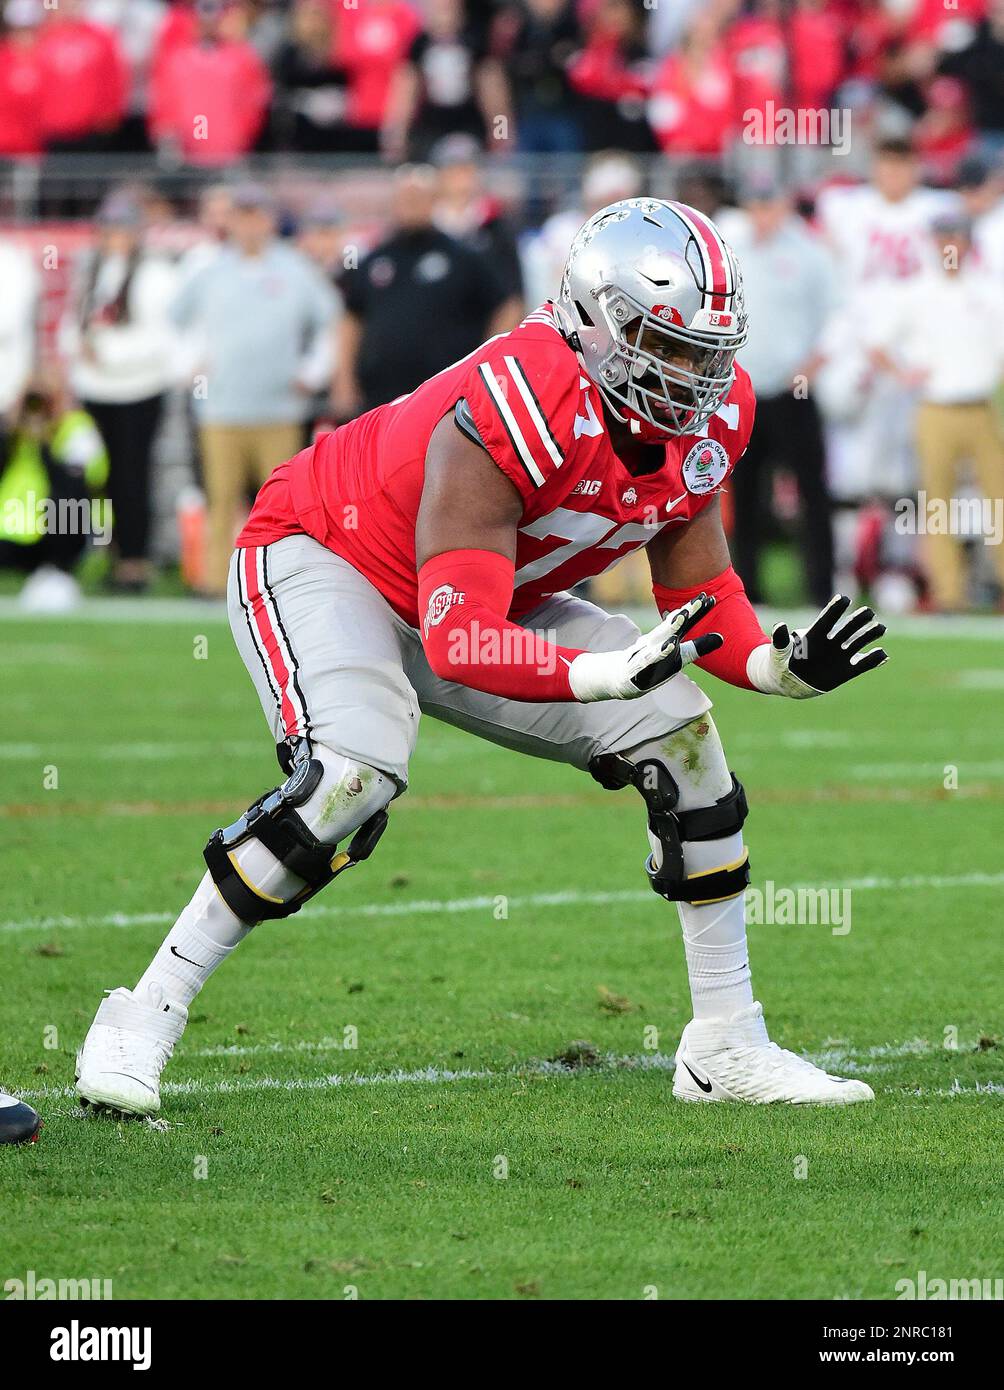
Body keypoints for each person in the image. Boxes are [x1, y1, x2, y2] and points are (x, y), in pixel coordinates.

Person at [77, 197, 888, 1116]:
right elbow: (459, 638)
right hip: (327, 557)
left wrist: (778, 668)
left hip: (485, 598)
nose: (693, 373)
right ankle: (141, 1016)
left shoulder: (715, 413)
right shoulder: (517, 398)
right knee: (349, 778)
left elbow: (697, 595)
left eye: (706, 348)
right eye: (665, 344)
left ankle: (727, 1045)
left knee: (684, 738)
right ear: (594, 323)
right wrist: (598, 673)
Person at [172, 182, 337, 595]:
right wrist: (190, 365)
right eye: (242, 215)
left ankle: (280, 584)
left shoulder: (295, 268)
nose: (249, 224)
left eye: (257, 215)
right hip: (222, 409)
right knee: (221, 498)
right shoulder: (208, 269)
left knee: (280, 505)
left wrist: (313, 372)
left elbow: (331, 321)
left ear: (269, 220)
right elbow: (175, 320)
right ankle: (212, 584)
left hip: (279, 409)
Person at [867, 213, 1004, 610]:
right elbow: (877, 344)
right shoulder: (916, 292)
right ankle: (948, 593)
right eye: (943, 239)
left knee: (997, 500)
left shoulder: (988, 291)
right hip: (936, 407)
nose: (949, 247)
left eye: (956, 239)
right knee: (938, 504)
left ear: (967, 245)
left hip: (979, 405)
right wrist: (904, 373)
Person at [724, 178, 839, 607]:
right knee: (747, 493)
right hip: (743, 391)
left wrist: (813, 364)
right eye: (754, 206)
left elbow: (838, 314)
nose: (762, 216)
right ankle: (746, 588)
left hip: (795, 389)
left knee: (812, 492)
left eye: (769, 206)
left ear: (785, 207)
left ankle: (821, 588)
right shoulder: (732, 249)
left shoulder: (809, 253)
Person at [58, 190, 176, 592]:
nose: (114, 236)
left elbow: (161, 339)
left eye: (122, 229)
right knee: (98, 477)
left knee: (132, 476)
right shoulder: (92, 269)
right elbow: (73, 323)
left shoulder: (156, 274)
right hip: (96, 389)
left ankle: (135, 560)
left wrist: (105, 353)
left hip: (138, 389)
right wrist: (80, 350)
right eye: (108, 229)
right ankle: (104, 552)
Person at [333, 164, 511, 418]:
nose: (411, 204)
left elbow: (506, 304)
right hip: (379, 397)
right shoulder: (375, 259)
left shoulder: (463, 256)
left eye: (418, 198)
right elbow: (351, 319)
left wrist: (486, 364)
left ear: (434, 201)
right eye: (405, 198)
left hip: (445, 398)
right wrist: (343, 381)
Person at [0, 378, 109, 611]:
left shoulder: (76, 427)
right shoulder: (13, 431)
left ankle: (59, 571)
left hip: (65, 532)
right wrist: (9, 432)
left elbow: (84, 478)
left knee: (66, 503)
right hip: (16, 534)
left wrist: (46, 444)